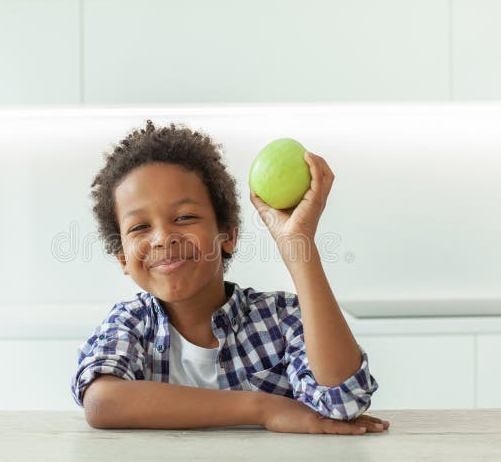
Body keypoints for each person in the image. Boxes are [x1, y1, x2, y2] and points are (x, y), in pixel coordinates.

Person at [71, 120, 389, 434]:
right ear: (123, 258)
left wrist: (297, 244)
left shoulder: (281, 320)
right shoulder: (130, 324)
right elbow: (102, 403)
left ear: (227, 235)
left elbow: (343, 401)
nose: (162, 238)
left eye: (184, 217)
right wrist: (264, 408)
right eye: (140, 227)